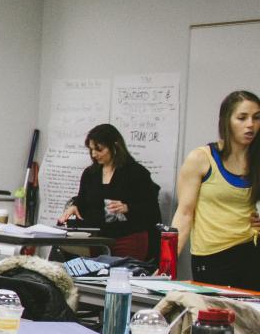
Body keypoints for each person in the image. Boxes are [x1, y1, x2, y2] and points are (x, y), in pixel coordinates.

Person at [172, 89, 260, 289]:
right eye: (242, 118)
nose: (250, 125)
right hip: (212, 256)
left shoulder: (256, 160)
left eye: (256, 118)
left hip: (251, 251)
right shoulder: (201, 158)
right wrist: (167, 261)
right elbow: (184, 214)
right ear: (227, 121)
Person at [56, 123, 162, 260]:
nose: (94, 154)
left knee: (120, 270)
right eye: (91, 149)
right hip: (97, 239)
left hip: (128, 238)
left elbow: (151, 208)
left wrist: (127, 207)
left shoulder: (136, 172)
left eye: (99, 149)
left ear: (115, 146)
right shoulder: (90, 173)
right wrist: (75, 206)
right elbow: (83, 199)